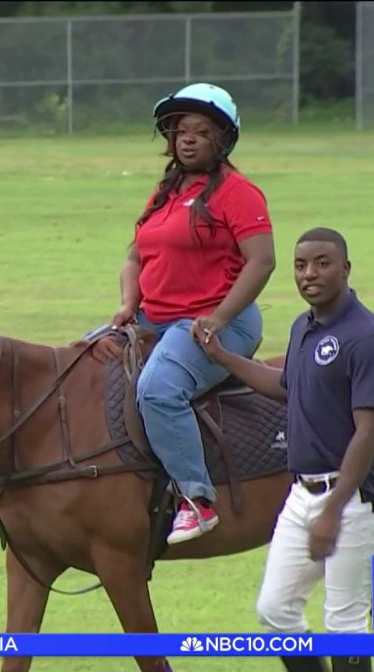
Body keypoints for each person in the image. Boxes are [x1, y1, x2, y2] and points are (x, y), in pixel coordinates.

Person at [194, 227, 374, 672]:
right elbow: (287, 386)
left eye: (322, 263)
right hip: (303, 493)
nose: (310, 274)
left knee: (344, 624)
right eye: (301, 265)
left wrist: (333, 510)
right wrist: (224, 359)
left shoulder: (367, 339)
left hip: (355, 499)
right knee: (276, 610)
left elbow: (369, 432)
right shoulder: (303, 326)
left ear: (345, 269)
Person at [105, 82, 276, 545]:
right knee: (82, 361)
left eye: (202, 131)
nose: (188, 139)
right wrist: (128, 304)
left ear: (223, 140)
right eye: (180, 131)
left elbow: (262, 261)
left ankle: (195, 499)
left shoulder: (239, 193)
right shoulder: (165, 192)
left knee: (159, 390)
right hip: (153, 320)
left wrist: (219, 318)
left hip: (218, 323)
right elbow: (135, 258)